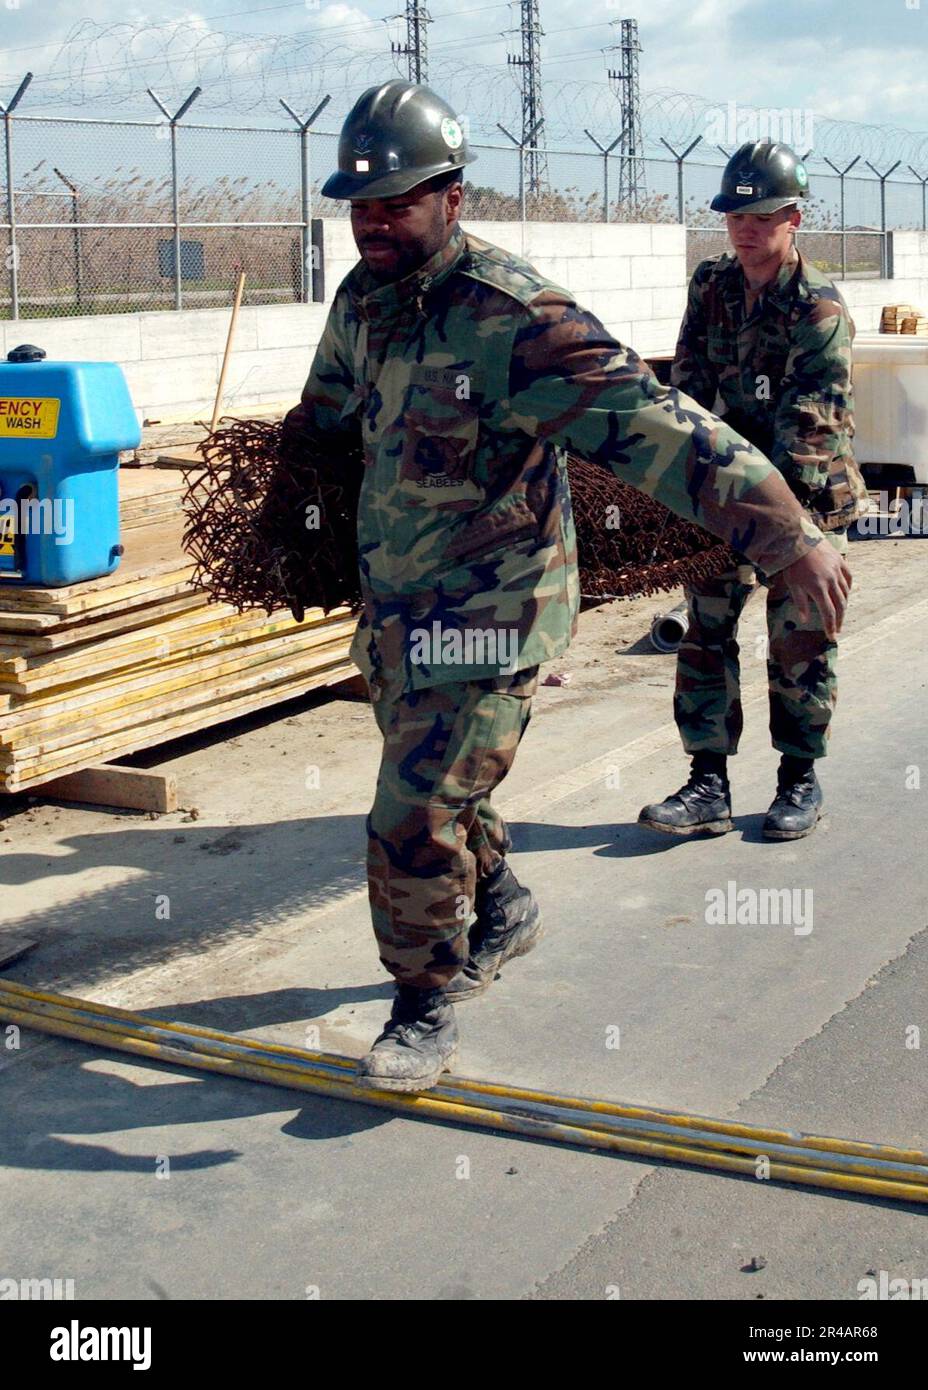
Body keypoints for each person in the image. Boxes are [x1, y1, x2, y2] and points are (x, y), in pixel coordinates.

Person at [281, 86, 852, 1092]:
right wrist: (294, 508)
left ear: (450, 198)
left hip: (494, 610)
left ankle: (420, 1002)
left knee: (411, 808)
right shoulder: (362, 301)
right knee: (448, 787)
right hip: (399, 600)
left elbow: (660, 424)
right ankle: (499, 902)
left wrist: (790, 535)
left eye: (397, 203)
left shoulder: (512, 318)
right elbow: (327, 419)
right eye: (359, 206)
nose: (373, 222)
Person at [639, 140, 867, 843]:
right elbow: (690, 394)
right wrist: (682, 488)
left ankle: (799, 777)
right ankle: (707, 782)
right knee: (705, 630)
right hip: (721, 491)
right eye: (735, 214)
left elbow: (805, 435)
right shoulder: (710, 285)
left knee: (799, 639)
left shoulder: (819, 309)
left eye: (762, 215)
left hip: (805, 496)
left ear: (793, 219)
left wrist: (788, 539)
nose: (746, 228)